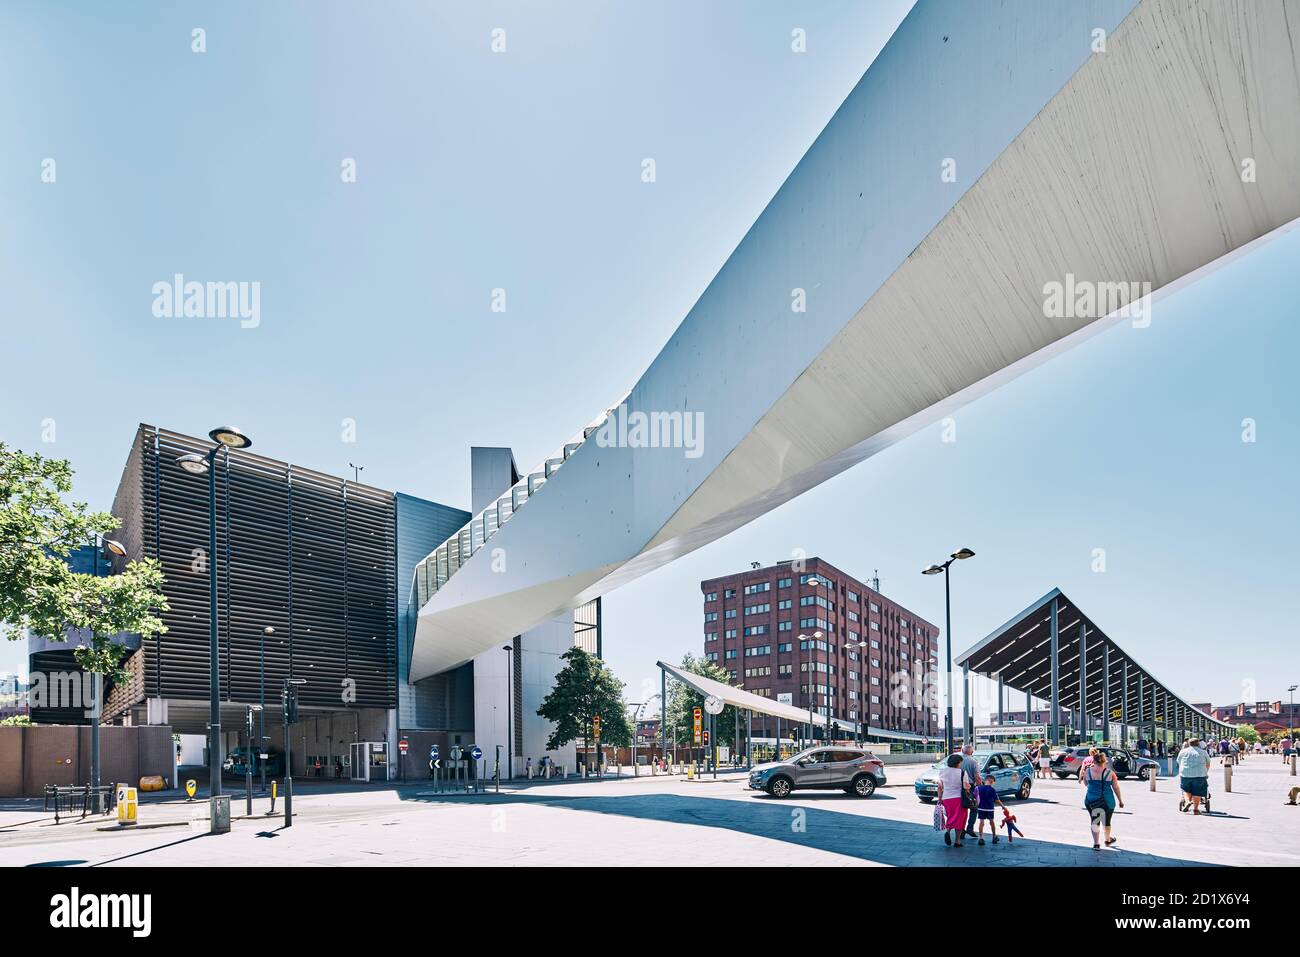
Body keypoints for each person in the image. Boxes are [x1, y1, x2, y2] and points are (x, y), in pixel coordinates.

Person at [1082, 750, 1123, 848]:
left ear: (1093, 761)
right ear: (1104, 761)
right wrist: (1120, 801)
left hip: (1091, 800)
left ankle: (1096, 843)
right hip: (1107, 800)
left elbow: (1086, 784)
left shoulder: (1087, 771)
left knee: (1095, 820)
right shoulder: (1110, 773)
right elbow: (1116, 787)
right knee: (1107, 821)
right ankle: (1108, 840)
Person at [936, 753, 971, 847]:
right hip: (959, 798)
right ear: (958, 763)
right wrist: (969, 787)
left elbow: (939, 787)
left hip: (946, 798)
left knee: (951, 816)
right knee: (960, 819)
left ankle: (948, 831)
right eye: (960, 762)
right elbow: (966, 787)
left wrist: (939, 798)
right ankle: (957, 841)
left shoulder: (942, 772)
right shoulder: (962, 772)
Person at [1177, 736, 1210, 814]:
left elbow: (1179, 761)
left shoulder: (1183, 751)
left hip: (1185, 774)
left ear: (1189, 743)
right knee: (1197, 792)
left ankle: (1188, 801)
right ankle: (1195, 809)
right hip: (1200, 774)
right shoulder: (1203, 752)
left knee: (1185, 789)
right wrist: (1206, 772)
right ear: (1198, 743)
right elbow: (1208, 763)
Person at [974, 773, 1004, 845]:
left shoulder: (979, 788)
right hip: (990, 808)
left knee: (981, 823)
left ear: (985, 780)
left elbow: (975, 796)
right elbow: (996, 800)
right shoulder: (992, 789)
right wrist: (1002, 806)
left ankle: (981, 838)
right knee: (991, 822)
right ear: (992, 781)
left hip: (981, 808)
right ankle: (994, 837)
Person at [960, 745, 982, 837]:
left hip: (958, 787)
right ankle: (970, 828)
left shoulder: (957, 760)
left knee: (962, 809)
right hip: (970, 787)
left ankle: (961, 830)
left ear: (962, 751)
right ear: (971, 752)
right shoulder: (973, 761)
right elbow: (977, 777)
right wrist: (980, 786)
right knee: (974, 808)